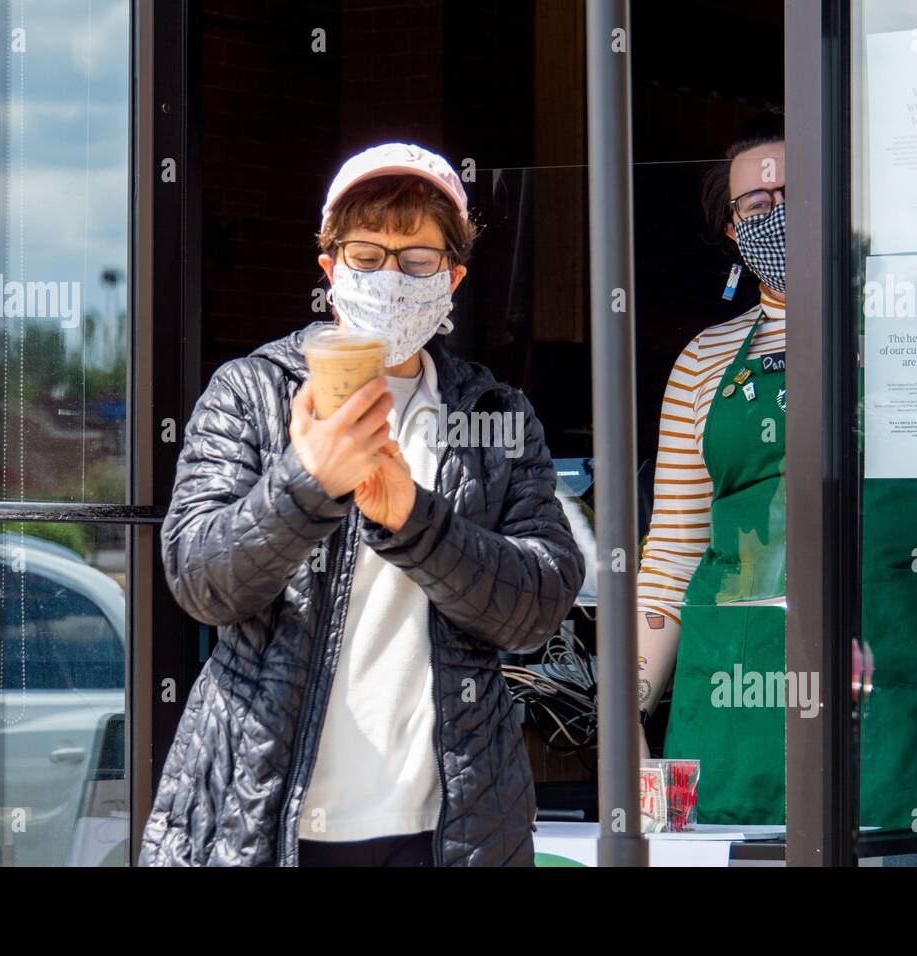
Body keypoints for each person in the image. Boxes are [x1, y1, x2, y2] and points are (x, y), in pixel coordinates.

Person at [138, 142, 584, 867]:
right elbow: (198, 578)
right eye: (367, 254)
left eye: (416, 261)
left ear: (453, 279)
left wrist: (414, 517)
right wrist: (307, 484)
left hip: (448, 829)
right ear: (330, 268)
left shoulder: (495, 414)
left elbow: (537, 605)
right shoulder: (250, 394)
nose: (390, 278)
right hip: (262, 818)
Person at [634, 113, 917, 830]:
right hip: (728, 724)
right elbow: (670, 556)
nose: (777, 215)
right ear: (732, 231)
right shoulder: (702, 362)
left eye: (796, 193)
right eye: (756, 205)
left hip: (905, 717)